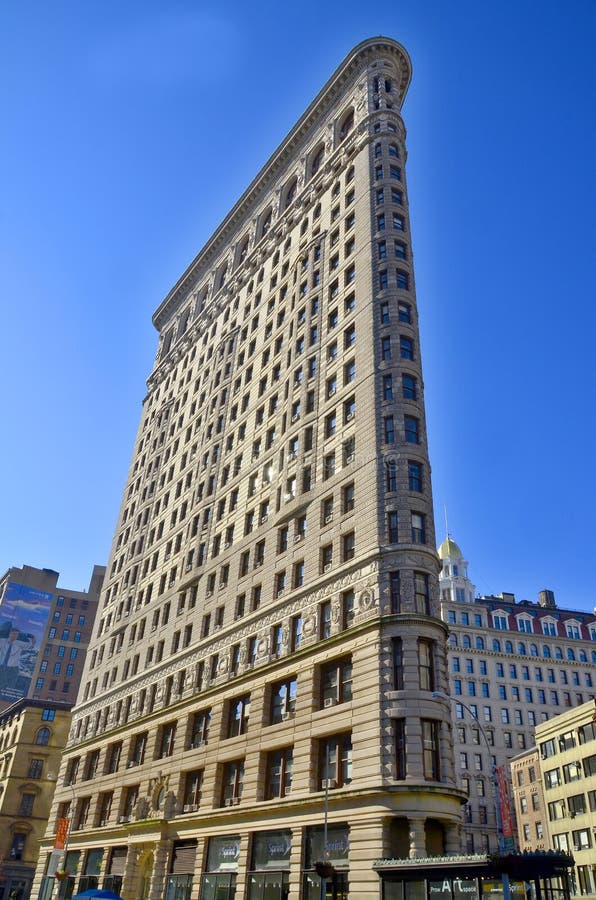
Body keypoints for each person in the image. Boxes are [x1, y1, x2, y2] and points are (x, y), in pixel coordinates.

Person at [0, 626, 35, 695]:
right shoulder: (2, 641)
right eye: (13, 633)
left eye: (16, 634)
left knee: (10, 688)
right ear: (9, 634)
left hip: (13, 669)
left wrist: (32, 636)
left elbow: (32, 644)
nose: (14, 635)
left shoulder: (20, 644)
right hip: (1, 666)